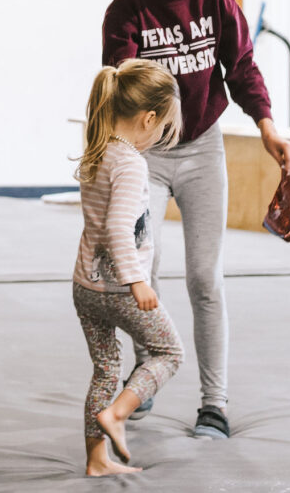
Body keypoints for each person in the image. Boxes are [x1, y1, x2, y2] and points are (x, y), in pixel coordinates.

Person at [102, 0, 290, 440]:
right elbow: (118, 88)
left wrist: (268, 128)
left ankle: (215, 403)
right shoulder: (125, 12)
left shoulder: (214, 3)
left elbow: (242, 69)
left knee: (204, 278)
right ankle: (149, 372)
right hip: (146, 156)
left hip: (202, 151)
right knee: (145, 266)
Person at [73, 59, 187, 478]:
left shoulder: (97, 150)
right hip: (120, 290)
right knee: (169, 353)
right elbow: (120, 228)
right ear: (149, 117)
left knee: (105, 368)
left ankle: (97, 460)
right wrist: (137, 280)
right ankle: (117, 414)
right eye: (163, 127)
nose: (160, 136)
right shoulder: (131, 163)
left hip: (86, 285)